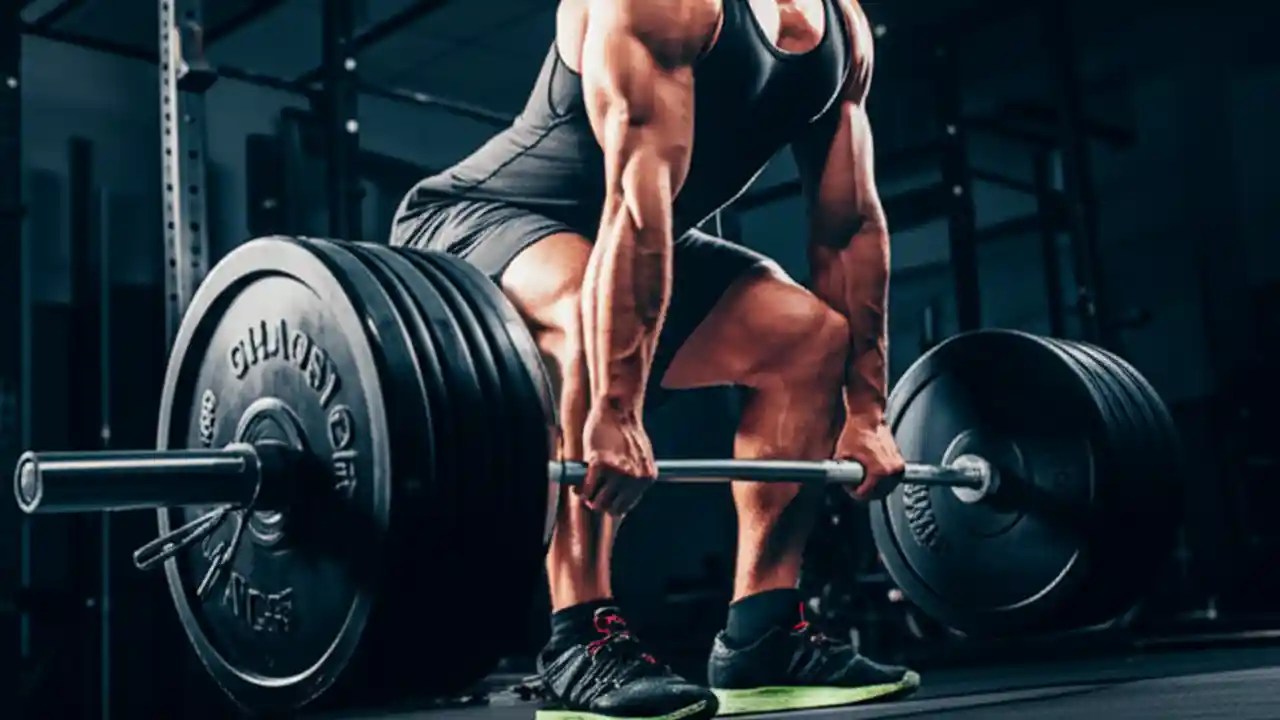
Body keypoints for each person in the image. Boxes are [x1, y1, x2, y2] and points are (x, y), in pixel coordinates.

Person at [392, 0, 919, 716]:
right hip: (483, 221)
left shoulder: (842, 27)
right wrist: (613, 406)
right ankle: (580, 636)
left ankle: (764, 632)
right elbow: (635, 205)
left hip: (638, 235)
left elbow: (849, 227)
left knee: (811, 339)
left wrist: (868, 409)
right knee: (586, 315)